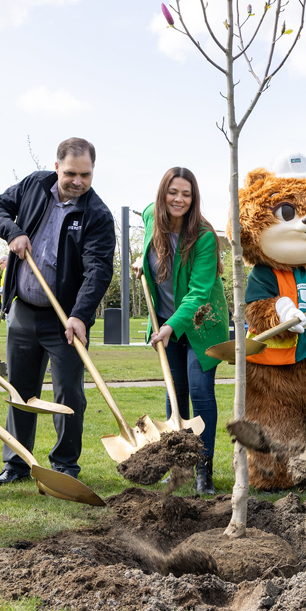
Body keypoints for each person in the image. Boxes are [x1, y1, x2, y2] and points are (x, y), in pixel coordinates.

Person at [0, 137, 116, 484]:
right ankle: (16, 464)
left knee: (69, 393)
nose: (78, 181)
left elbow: (98, 270)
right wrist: (12, 232)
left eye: (86, 174)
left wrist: (79, 315)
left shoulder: (97, 215)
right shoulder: (33, 185)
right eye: (71, 173)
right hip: (24, 311)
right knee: (20, 389)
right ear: (57, 167)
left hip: (65, 319)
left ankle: (64, 467)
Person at [136, 167, 229, 494]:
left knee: (200, 390)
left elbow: (198, 292)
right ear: (163, 194)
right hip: (165, 321)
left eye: (186, 194)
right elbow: (151, 246)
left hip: (201, 322)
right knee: (174, 394)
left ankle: (204, 471)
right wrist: (141, 260)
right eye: (173, 192)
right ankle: (179, 467)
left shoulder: (204, 236)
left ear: (194, 198)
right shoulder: (150, 214)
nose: (179, 199)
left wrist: (172, 326)